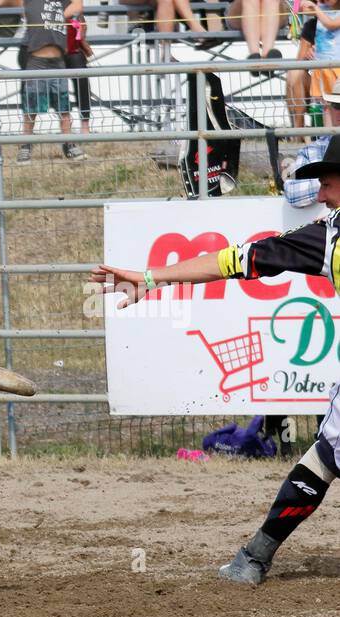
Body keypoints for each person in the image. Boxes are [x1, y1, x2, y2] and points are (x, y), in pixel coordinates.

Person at [90, 136, 340, 586]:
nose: (320, 194)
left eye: (326, 182)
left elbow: (240, 260)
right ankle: (256, 554)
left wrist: (151, 278)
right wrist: (152, 277)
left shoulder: (330, 237)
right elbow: (240, 259)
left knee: (324, 456)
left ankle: (255, 557)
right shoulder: (327, 234)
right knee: (324, 455)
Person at [0, 0, 87, 165]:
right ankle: (25, 146)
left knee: (63, 106)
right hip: (36, 61)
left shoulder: (61, 3)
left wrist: (56, 17)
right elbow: (1, 2)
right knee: (31, 107)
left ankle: (69, 144)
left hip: (58, 61)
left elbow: (78, 6)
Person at [285, 78, 340, 208]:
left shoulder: (313, 151)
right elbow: (293, 193)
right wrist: (332, 177)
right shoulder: (312, 150)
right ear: (329, 109)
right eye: (337, 106)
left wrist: (322, 176)